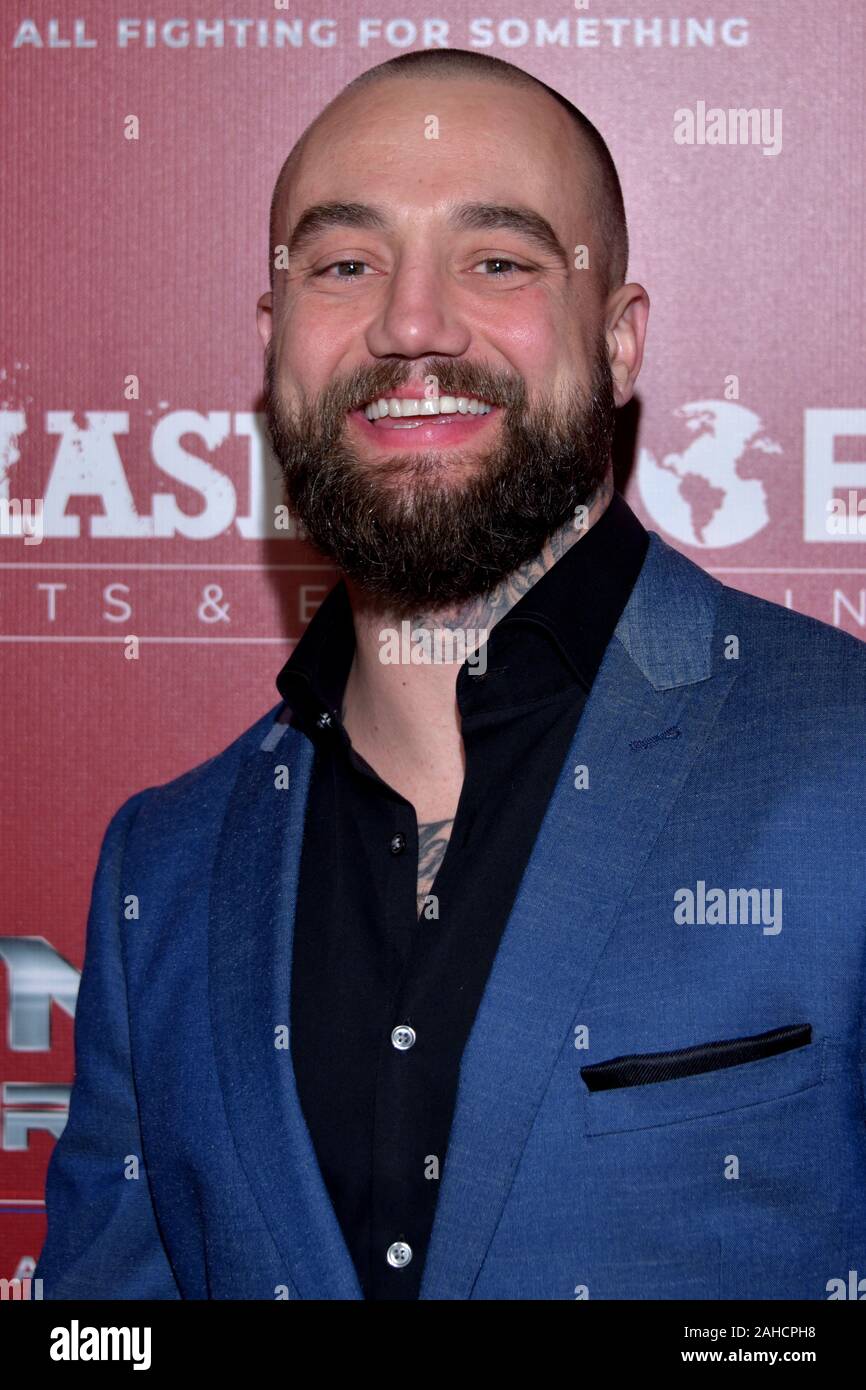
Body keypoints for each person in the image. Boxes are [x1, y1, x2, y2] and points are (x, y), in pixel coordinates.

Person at [36, 48, 866, 1301]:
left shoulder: (841, 764)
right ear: (274, 343)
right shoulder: (164, 865)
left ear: (618, 341)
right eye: (343, 265)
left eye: (497, 261)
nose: (410, 324)